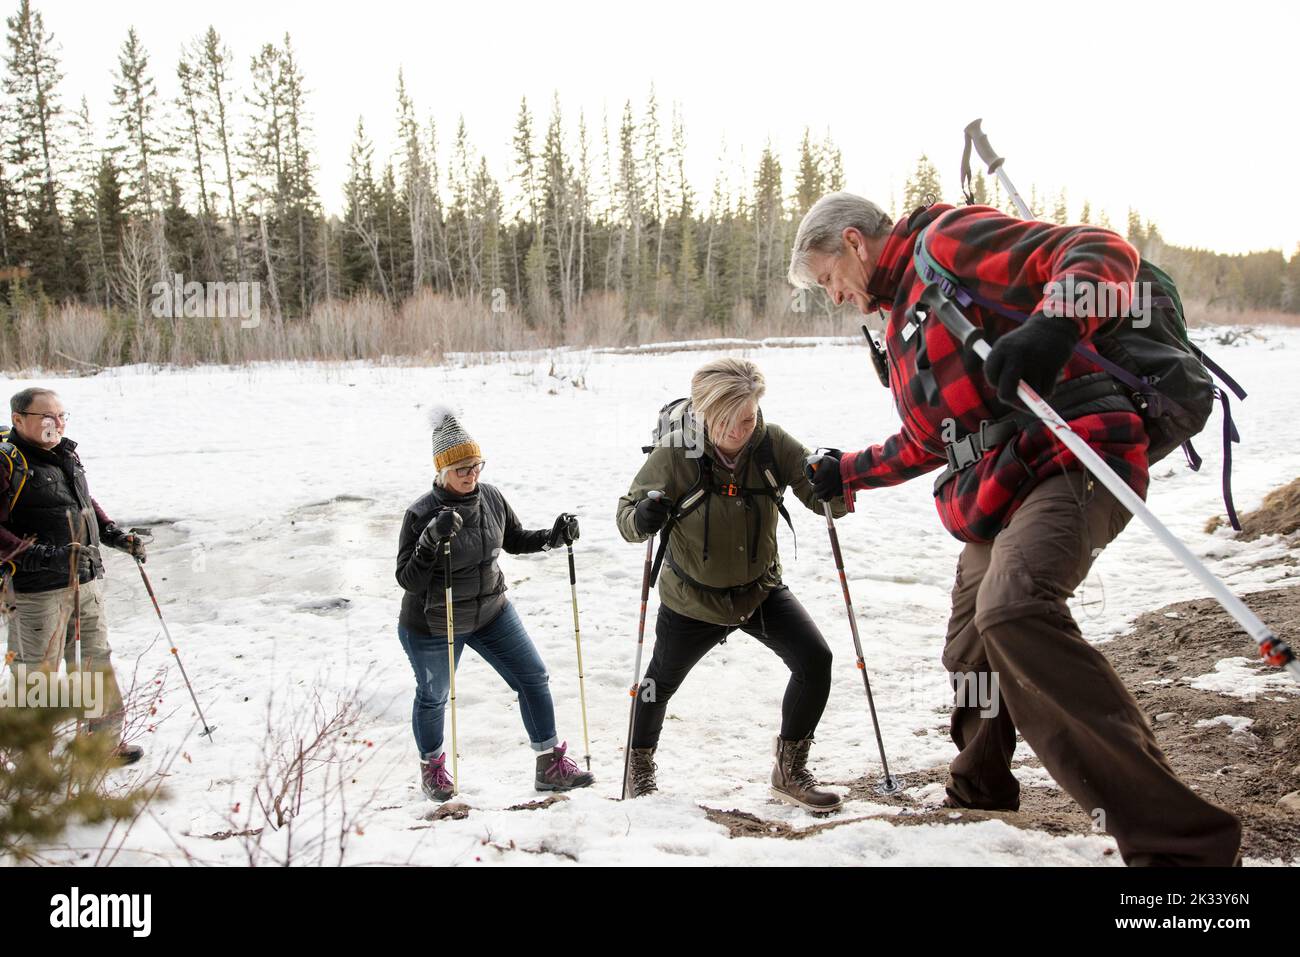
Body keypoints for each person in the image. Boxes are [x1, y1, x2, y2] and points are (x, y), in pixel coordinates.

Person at [788, 191, 1242, 865]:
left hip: (1071, 452)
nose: (833, 296)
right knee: (972, 643)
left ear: (854, 242)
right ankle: (978, 801)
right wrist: (848, 471)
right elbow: (928, 439)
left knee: (1014, 609)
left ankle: (1183, 846)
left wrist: (1053, 326)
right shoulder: (899, 320)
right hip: (996, 485)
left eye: (827, 277)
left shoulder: (943, 241)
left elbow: (1101, 251)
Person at [616, 358, 850, 811]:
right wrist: (641, 516)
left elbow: (825, 503)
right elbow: (627, 519)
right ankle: (639, 769)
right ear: (703, 412)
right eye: (724, 421)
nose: (737, 431)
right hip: (691, 599)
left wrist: (833, 482)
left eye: (746, 419)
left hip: (759, 589)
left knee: (815, 660)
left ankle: (790, 769)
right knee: (655, 686)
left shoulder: (771, 443)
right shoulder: (675, 452)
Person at [394, 406, 594, 801]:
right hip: (435, 621)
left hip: (490, 611)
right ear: (442, 471)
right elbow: (407, 578)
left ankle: (549, 763)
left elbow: (515, 539)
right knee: (433, 694)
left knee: (532, 676)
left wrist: (552, 536)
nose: (472, 475)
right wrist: (430, 540)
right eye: (462, 469)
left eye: (476, 465)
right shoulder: (421, 513)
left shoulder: (491, 497)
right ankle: (432, 767)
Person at [1, 387, 147, 764]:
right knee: (37, 675)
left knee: (94, 661)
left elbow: (83, 502)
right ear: (19, 419)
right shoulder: (7, 463)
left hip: (84, 580)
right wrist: (43, 555)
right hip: (36, 593)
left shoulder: (66, 454)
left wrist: (113, 534)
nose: (58, 424)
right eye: (47, 418)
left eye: (62, 416)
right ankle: (33, 762)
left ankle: (102, 744)